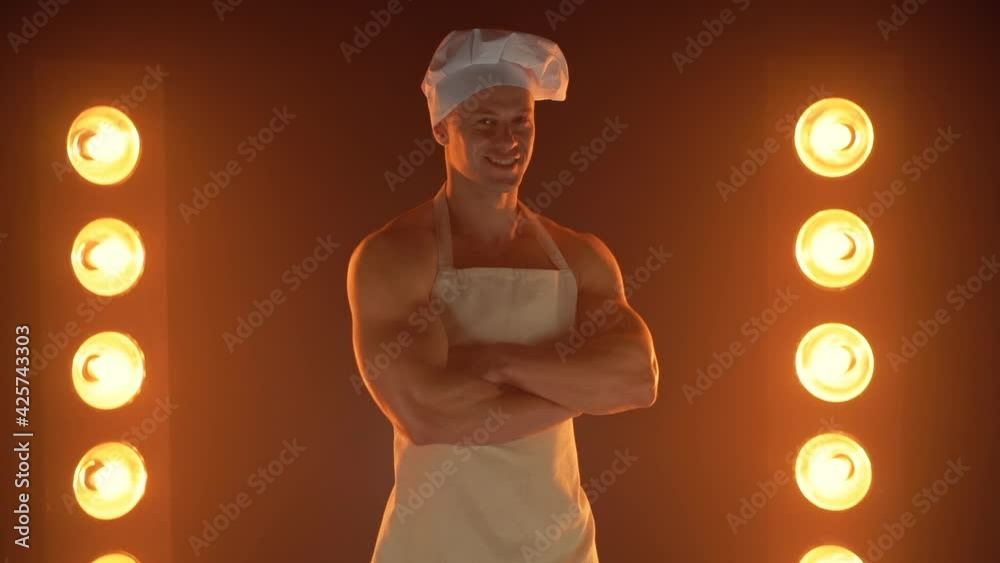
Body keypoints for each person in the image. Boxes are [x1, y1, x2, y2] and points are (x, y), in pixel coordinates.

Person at [347, 28, 660, 563]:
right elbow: (427, 414)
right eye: (484, 123)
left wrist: (496, 362)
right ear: (443, 129)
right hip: (432, 548)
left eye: (521, 122)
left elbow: (638, 380)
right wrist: (583, 387)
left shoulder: (580, 255)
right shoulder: (395, 255)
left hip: (560, 547)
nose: (508, 140)